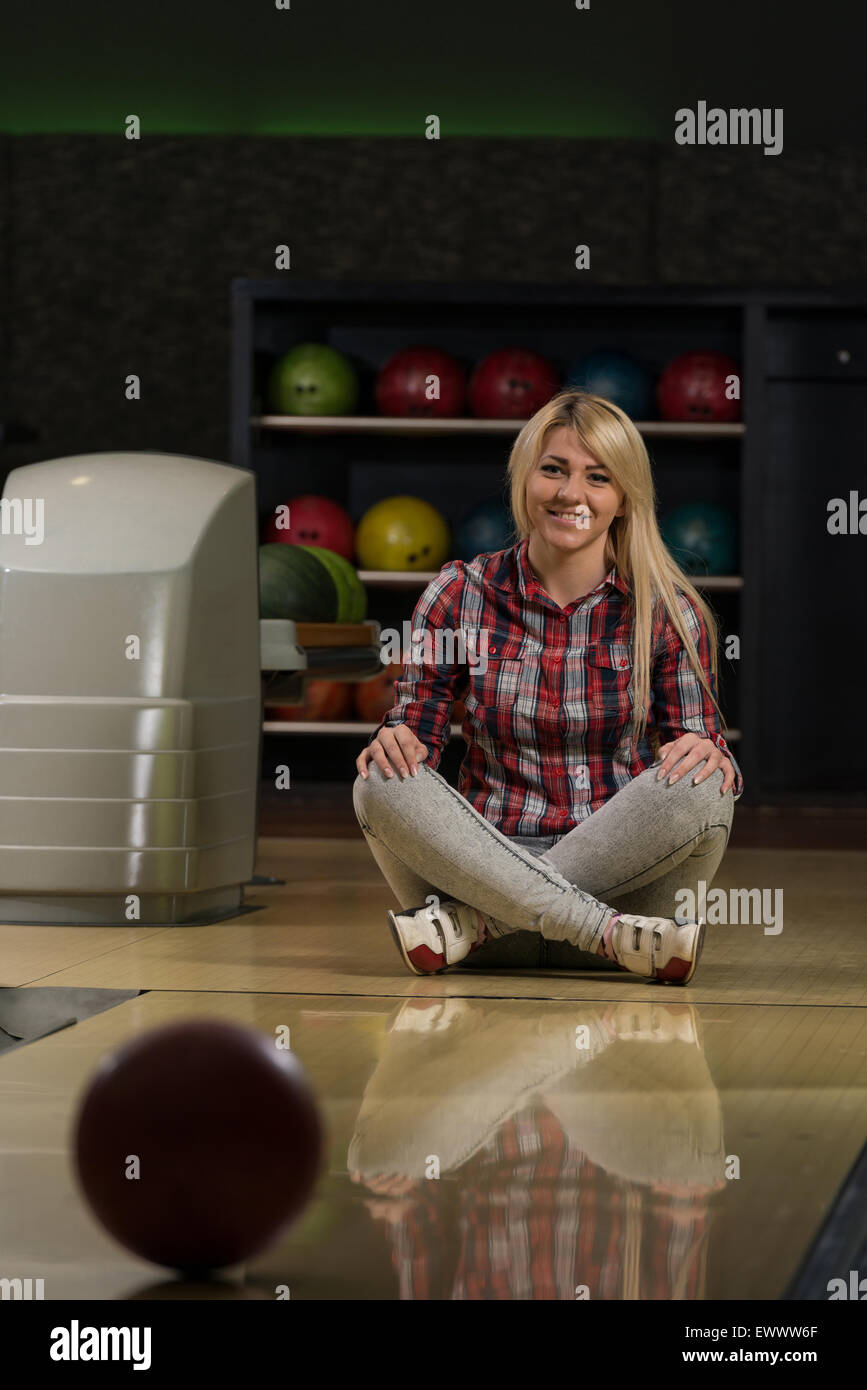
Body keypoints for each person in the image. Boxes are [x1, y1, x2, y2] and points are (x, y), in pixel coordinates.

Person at [352, 389, 742, 984]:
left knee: (705, 785)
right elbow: (417, 732)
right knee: (380, 783)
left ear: (623, 500)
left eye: (598, 478)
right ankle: (592, 931)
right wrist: (398, 740)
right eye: (553, 469)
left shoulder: (667, 610)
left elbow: (702, 752)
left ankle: (483, 922)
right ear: (525, 478)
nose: (570, 494)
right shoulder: (460, 593)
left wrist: (705, 751)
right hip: (627, 936)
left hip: (588, 898)